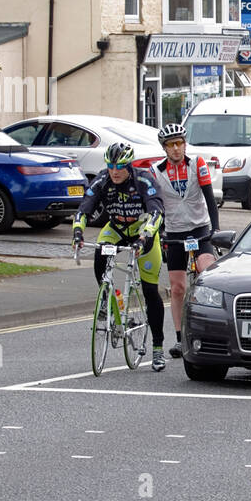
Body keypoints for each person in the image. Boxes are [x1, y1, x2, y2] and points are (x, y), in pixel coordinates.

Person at [72, 142, 167, 370]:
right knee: (100, 253)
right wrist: (77, 231)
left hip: (142, 232)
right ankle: (108, 298)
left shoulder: (143, 180)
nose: (115, 171)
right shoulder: (103, 180)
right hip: (115, 228)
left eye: (120, 166)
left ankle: (157, 348)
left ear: (129, 165)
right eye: (111, 165)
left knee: (151, 291)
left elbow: (156, 211)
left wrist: (145, 237)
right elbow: (84, 207)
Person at [153, 123, 220, 359]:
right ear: (165, 148)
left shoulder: (197, 165)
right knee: (178, 287)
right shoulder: (157, 171)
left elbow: (210, 198)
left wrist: (216, 228)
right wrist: (159, 233)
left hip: (199, 228)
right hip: (174, 232)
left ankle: (210, 328)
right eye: (171, 145)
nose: (176, 149)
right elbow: (156, 206)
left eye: (180, 143)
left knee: (206, 270)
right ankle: (181, 339)